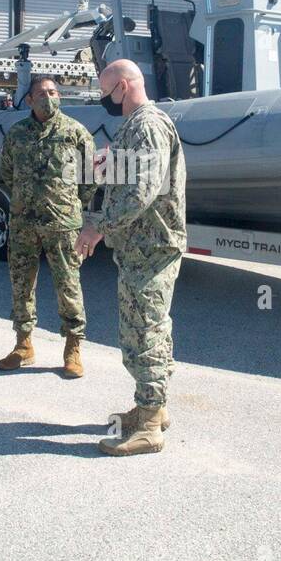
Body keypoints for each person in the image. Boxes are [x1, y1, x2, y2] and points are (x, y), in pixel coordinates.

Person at [76, 59, 186, 456]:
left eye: (106, 93)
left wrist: (96, 228)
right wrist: (110, 164)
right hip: (141, 247)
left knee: (146, 332)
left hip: (150, 247)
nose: (105, 100)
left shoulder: (147, 125)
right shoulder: (136, 126)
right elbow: (134, 180)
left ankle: (150, 426)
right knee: (145, 327)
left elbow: (141, 193)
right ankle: (151, 406)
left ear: (122, 86)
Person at [0, 76, 96, 376]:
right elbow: (7, 172)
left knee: (68, 284)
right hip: (24, 222)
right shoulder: (16, 134)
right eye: (41, 93)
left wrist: (68, 205)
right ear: (28, 100)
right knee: (21, 283)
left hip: (62, 222)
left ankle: (73, 348)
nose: (48, 98)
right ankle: (23, 344)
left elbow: (89, 178)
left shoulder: (75, 132)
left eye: (53, 92)